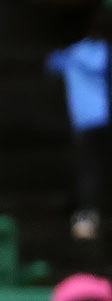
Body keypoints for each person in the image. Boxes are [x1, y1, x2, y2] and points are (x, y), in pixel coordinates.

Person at [46, 18, 108, 242]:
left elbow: (51, 64)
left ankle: (86, 219)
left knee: (90, 170)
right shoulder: (105, 53)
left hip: (84, 123)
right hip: (104, 119)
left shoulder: (73, 53)